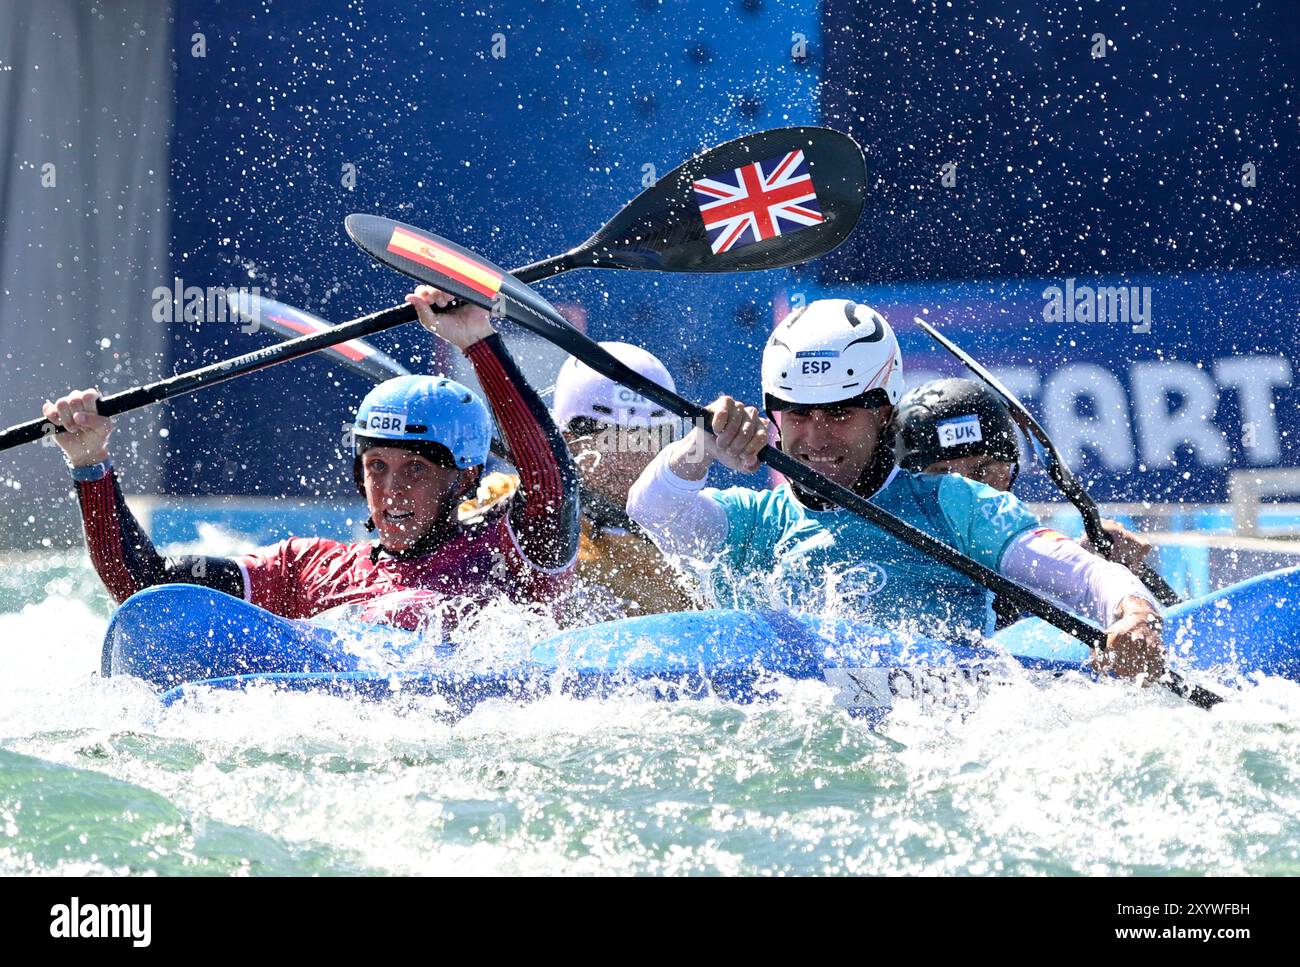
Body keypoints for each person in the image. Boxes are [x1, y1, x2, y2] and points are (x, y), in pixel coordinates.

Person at [627, 299, 1165, 681]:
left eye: (839, 413)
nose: (815, 436)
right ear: (775, 414)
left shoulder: (955, 505)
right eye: (798, 413)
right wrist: (700, 444)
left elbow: (1084, 573)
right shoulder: (748, 521)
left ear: (884, 413)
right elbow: (651, 509)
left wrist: (1134, 610)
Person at [43, 285, 579, 630]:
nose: (391, 490)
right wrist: (91, 464)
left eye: (416, 468)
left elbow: (553, 479)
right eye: (377, 466)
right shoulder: (306, 567)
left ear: (465, 477)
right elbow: (143, 591)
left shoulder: (510, 549)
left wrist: (477, 340)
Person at [459, 341, 701, 617]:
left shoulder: (687, 533)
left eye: (646, 437)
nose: (628, 458)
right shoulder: (512, 502)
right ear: (568, 439)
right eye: (607, 433)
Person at [893, 377, 1155, 567]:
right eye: (941, 477)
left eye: (982, 472)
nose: (966, 492)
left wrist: (1093, 561)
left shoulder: (1031, 560)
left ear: (1008, 472)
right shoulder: (885, 558)